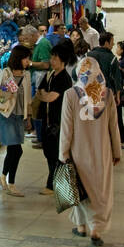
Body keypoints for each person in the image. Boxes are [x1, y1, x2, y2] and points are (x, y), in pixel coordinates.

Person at [59, 55, 122, 247]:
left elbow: (66, 127)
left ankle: (81, 226)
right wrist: (117, 151)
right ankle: (94, 228)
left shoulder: (70, 94)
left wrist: (63, 153)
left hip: (79, 152)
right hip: (102, 151)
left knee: (79, 187)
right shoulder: (108, 95)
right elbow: (114, 126)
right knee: (100, 191)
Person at [0, 45, 31, 197]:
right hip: (6, 115)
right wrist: (6, 93)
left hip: (19, 115)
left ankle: (3, 178)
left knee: (14, 149)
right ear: (19, 58)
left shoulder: (26, 75)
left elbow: (27, 98)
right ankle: (10, 182)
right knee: (16, 149)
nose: (28, 61)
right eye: (26, 58)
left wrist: (28, 117)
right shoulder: (5, 74)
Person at [38, 41, 76, 196]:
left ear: (63, 61)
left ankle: (53, 185)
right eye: (51, 57)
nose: (52, 60)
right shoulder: (51, 75)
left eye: (55, 58)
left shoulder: (64, 79)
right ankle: (54, 183)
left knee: (56, 153)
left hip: (58, 122)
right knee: (48, 152)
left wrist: (44, 95)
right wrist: (44, 95)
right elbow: (40, 92)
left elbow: (49, 97)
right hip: (47, 121)